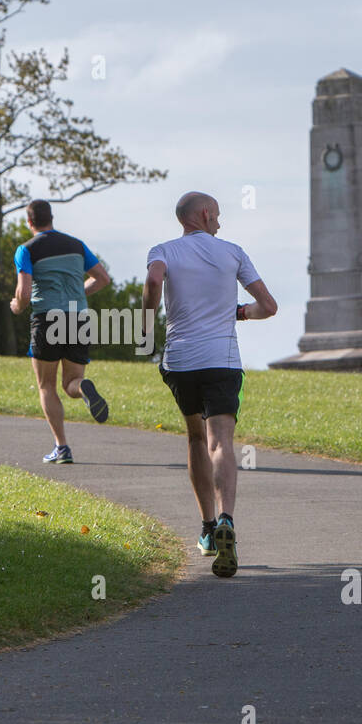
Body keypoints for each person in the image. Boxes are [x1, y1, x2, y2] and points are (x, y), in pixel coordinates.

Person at [143, 191, 277, 577]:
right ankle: (226, 521)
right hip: (222, 360)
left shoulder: (164, 249)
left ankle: (205, 529)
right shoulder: (233, 251)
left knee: (195, 439)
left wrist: (146, 320)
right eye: (217, 215)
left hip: (182, 361)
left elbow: (154, 280)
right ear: (204, 214)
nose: (219, 222)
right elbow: (268, 307)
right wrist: (238, 312)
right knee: (221, 442)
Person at [11, 199, 112, 463]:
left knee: (46, 385)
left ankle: (62, 447)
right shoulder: (76, 245)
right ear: (52, 218)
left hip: (46, 318)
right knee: (70, 384)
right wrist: (80, 293)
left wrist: (17, 306)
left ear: (29, 222)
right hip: (77, 318)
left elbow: (23, 292)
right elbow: (103, 278)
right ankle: (83, 387)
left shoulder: (26, 249)